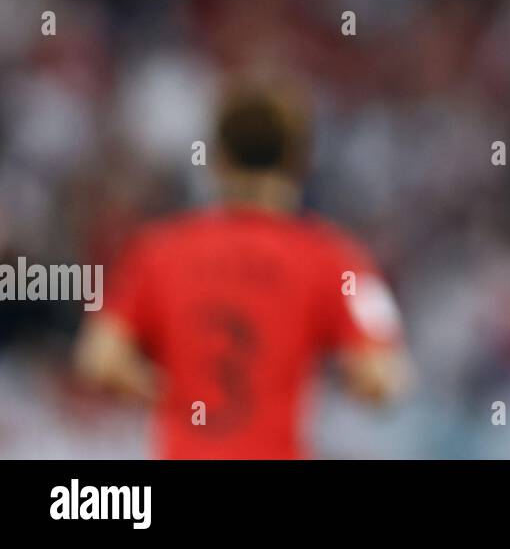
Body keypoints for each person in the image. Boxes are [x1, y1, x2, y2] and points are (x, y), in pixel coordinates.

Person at [74, 82, 410, 459]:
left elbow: (99, 358)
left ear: (219, 158)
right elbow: (383, 378)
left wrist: (172, 392)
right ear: (298, 161)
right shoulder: (336, 259)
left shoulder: (158, 250)